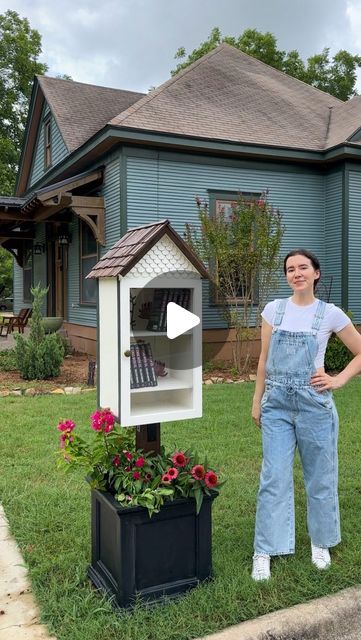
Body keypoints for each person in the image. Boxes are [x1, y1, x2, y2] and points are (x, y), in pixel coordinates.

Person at [251, 249, 361, 581]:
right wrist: (257, 401)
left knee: (321, 477)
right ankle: (265, 550)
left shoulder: (330, 314)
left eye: (303, 268)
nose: (296, 273)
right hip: (277, 406)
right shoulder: (274, 310)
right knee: (273, 477)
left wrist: (338, 378)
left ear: (316, 273)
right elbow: (263, 360)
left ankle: (321, 542)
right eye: (290, 269)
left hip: (315, 407)